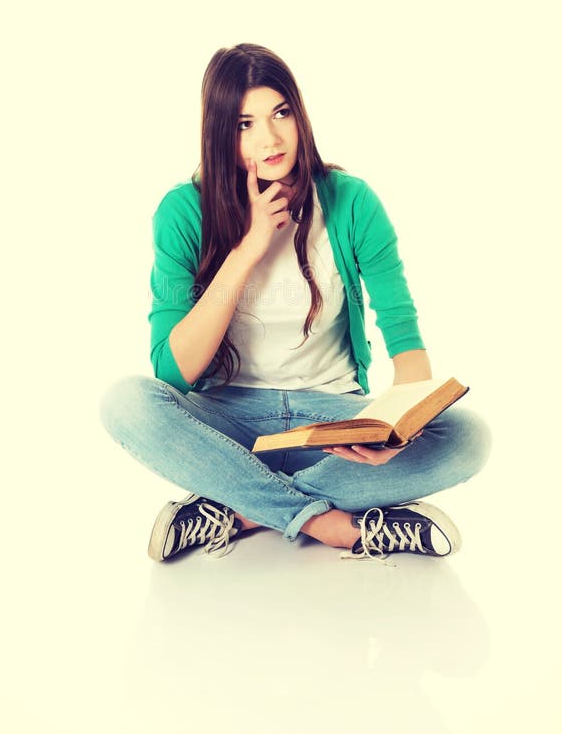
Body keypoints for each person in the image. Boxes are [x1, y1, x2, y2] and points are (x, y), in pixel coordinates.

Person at [99, 42, 491, 564]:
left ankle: (240, 507)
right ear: (220, 133)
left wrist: (401, 427)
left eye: (280, 113)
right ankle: (334, 526)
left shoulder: (351, 202)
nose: (270, 138)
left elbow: (402, 331)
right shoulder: (183, 211)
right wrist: (249, 248)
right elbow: (172, 372)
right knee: (125, 402)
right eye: (245, 124)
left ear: (298, 113)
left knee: (467, 435)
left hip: (332, 421)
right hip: (230, 420)